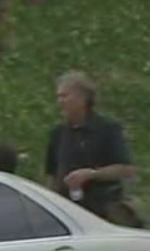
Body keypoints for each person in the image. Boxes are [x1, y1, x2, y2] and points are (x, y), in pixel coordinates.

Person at [44, 70, 138, 224]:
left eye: (65, 96)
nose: (60, 101)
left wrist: (91, 174)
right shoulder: (58, 133)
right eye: (58, 97)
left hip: (102, 211)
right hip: (67, 212)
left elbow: (126, 169)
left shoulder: (108, 129)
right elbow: (51, 175)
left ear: (83, 98)